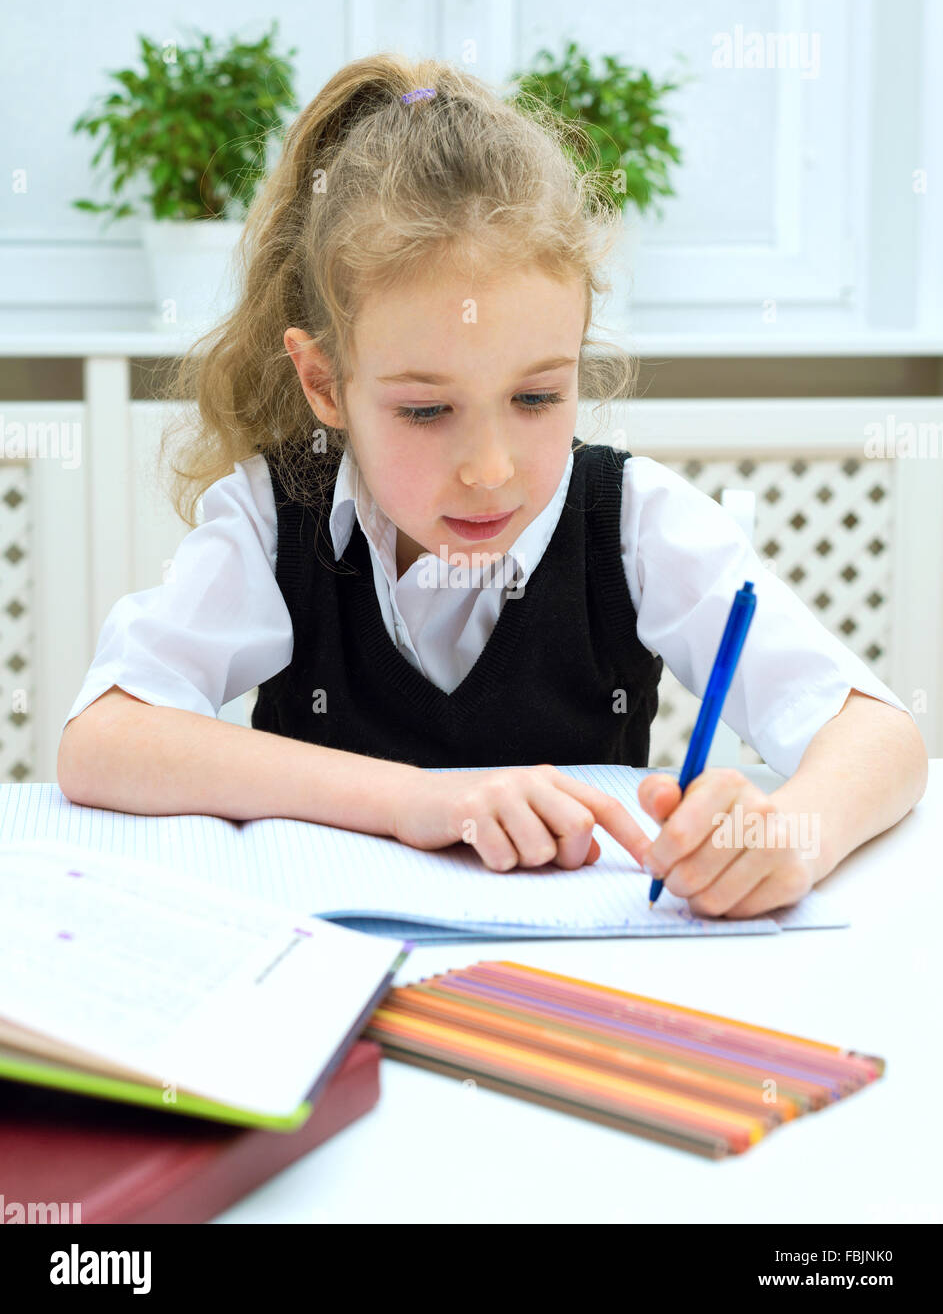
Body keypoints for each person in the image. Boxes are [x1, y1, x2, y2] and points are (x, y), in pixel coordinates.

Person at [57, 55, 927, 918]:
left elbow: (881, 739)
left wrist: (786, 838)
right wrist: (417, 801)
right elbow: (105, 742)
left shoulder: (634, 522)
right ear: (325, 384)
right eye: (427, 410)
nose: (490, 469)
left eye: (536, 396)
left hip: (585, 990)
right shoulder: (269, 517)